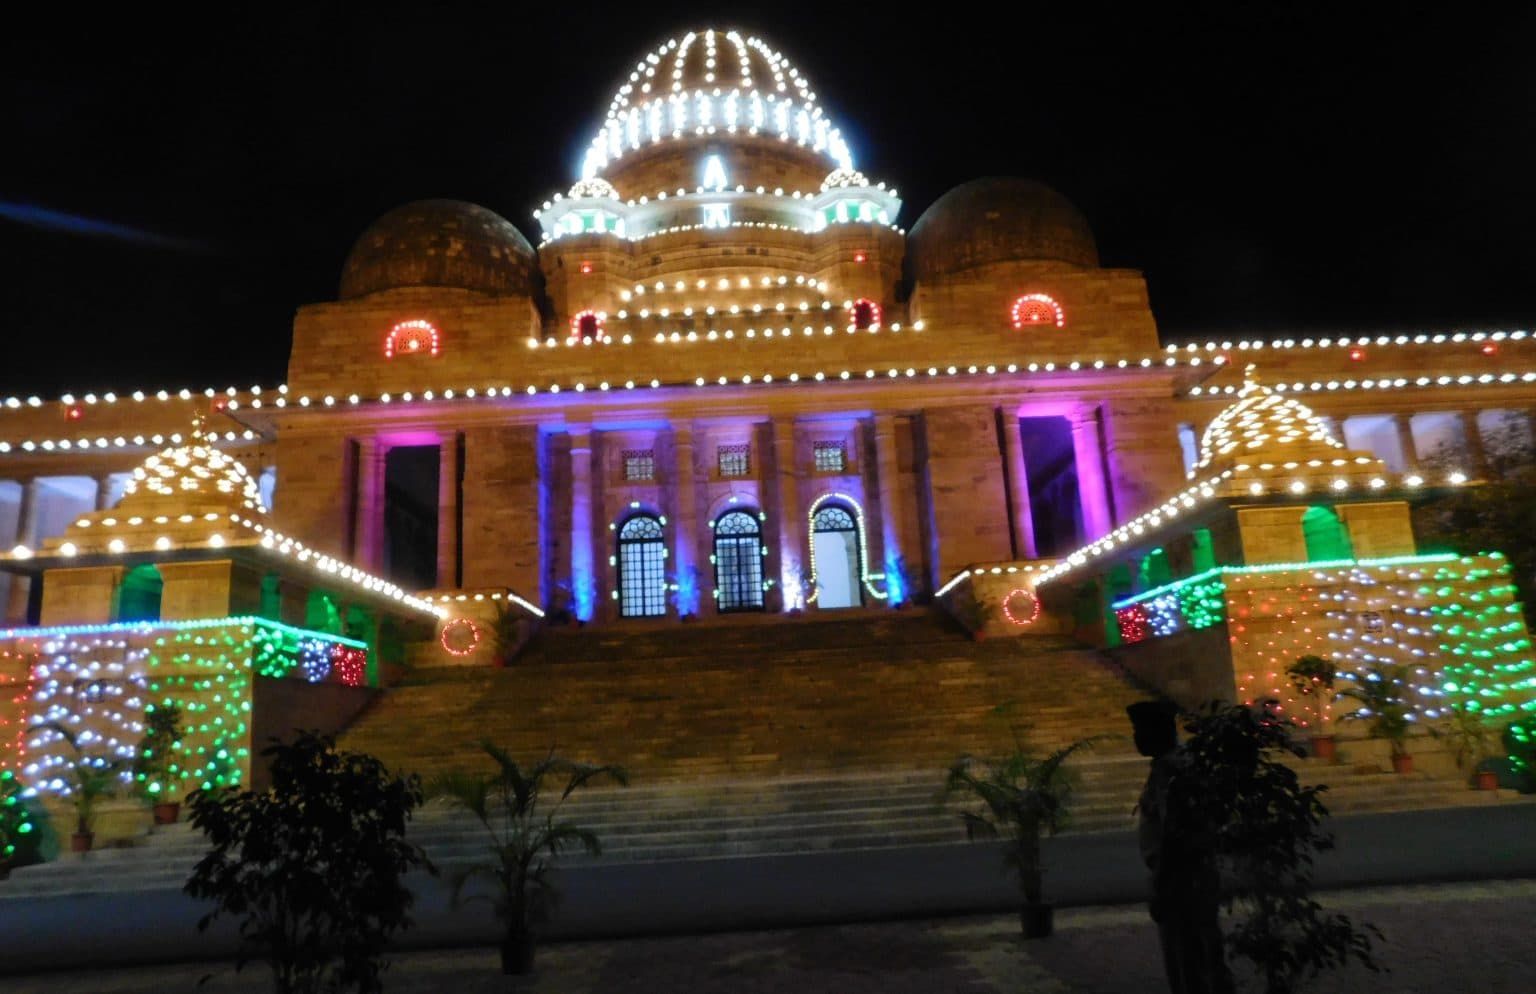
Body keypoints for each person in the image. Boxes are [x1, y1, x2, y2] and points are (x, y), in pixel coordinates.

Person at [1128, 700, 1233, 994]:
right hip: (1192, 877)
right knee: (1202, 956)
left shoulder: (1172, 772)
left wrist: (1162, 886)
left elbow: (1174, 835)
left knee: (1190, 963)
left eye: (1140, 730)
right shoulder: (1177, 765)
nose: (1137, 738)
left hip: (1182, 881)